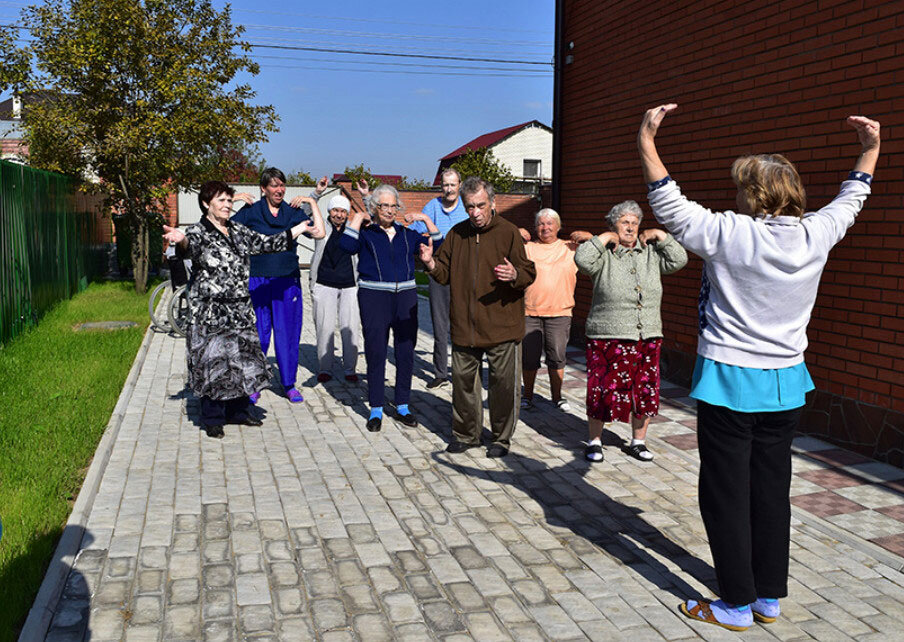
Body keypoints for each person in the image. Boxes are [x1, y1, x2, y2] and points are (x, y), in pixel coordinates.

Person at [638, 104, 880, 631]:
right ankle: (769, 597)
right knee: (771, 492)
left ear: (755, 194)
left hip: (730, 383)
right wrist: (870, 148)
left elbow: (668, 203)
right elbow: (852, 199)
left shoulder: (730, 233)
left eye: (741, 188)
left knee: (726, 493)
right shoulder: (816, 235)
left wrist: (647, 139)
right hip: (786, 386)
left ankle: (736, 604)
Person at [162, 181, 315, 438]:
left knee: (241, 361)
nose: (226, 205)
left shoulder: (238, 231)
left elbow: (268, 243)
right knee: (213, 363)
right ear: (206, 204)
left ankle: (239, 411)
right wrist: (181, 240)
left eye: (229, 201)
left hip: (240, 310)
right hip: (210, 312)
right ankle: (212, 417)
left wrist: (297, 229)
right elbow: (189, 247)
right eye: (220, 200)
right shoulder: (199, 232)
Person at [420, 176, 536, 458]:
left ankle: (500, 438)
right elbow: (444, 272)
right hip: (465, 327)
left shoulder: (508, 232)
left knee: (503, 386)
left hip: (502, 327)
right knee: (463, 384)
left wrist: (514, 275)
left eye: (480, 205)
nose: (475, 212)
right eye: (469, 206)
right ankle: (466, 434)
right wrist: (431, 262)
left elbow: (528, 272)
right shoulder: (457, 234)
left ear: (492, 202)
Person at [575, 200, 687, 463]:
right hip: (607, 335)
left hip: (646, 335)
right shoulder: (604, 254)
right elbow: (581, 259)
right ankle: (594, 441)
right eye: (624, 222)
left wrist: (661, 235)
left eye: (635, 223)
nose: (630, 227)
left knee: (645, 389)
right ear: (614, 224)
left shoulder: (650, 253)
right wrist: (604, 238)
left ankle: (638, 441)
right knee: (602, 389)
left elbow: (679, 259)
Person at [338, 184, 441, 432]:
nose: (389, 210)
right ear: (374, 207)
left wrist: (426, 219)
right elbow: (345, 246)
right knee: (376, 351)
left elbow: (439, 243)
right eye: (383, 205)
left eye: (393, 205)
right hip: (374, 297)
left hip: (405, 297)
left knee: (406, 352)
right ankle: (375, 408)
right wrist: (357, 218)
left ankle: (403, 404)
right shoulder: (367, 233)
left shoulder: (407, 234)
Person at [232, 168, 326, 404]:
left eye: (282, 185)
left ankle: (288, 384)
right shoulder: (251, 212)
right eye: (274, 185)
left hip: (287, 281)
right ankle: (254, 383)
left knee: (287, 334)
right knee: (257, 335)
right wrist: (232, 198)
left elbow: (319, 232)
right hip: (257, 281)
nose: (280, 189)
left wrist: (311, 201)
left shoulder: (291, 212)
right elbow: (222, 227)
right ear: (263, 189)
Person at [517, 210, 591, 412]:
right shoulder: (527, 248)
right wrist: (515, 232)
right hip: (530, 313)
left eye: (550, 223)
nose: (545, 227)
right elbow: (501, 247)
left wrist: (589, 237)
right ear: (535, 227)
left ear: (559, 226)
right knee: (529, 358)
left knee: (557, 357)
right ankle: (528, 396)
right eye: (541, 224)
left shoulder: (571, 248)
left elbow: (601, 252)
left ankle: (557, 396)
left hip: (560, 313)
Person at [408, 168, 469, 389]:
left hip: (465, 271)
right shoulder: (432, 206)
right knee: (440, 323)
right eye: (445, 185)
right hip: (438, 269)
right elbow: (413, 232)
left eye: (453, 185)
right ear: (440, 186)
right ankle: (441, 373)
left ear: (459, 185)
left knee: (463, 324)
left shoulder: (466, 207)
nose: (449, 189)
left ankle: (463, 372)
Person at [310, 194, 360, 383]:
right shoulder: (320, 226)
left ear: (347, 214)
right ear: (329, 211)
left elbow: (372, 215)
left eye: (343, 211)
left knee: (351, 328)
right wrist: (315, 195)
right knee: (324, 327)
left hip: (350, 286)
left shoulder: (354, 230)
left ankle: (350, 369)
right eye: (335, 210)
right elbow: (301, 214)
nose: (339, 215)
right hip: (324, 283)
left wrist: (364, 195)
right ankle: (325, 368)